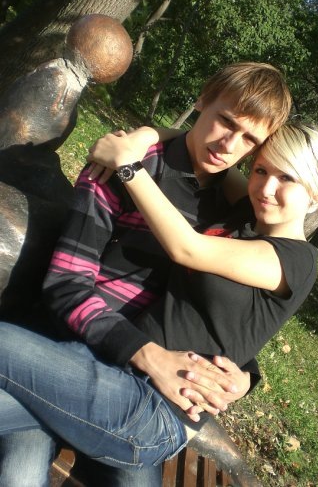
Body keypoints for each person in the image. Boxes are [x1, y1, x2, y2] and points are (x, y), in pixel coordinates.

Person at [0, 62, 292, 487]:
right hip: (63, 348)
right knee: (19, 476)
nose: (229, 145)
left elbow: (225, 306)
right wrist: (149, 356)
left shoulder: (234, 210)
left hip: (137, 389)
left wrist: (245, 375)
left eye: (250, 139)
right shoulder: (124, 166)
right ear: (202, 101)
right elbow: (66, 285)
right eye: (226, 122)